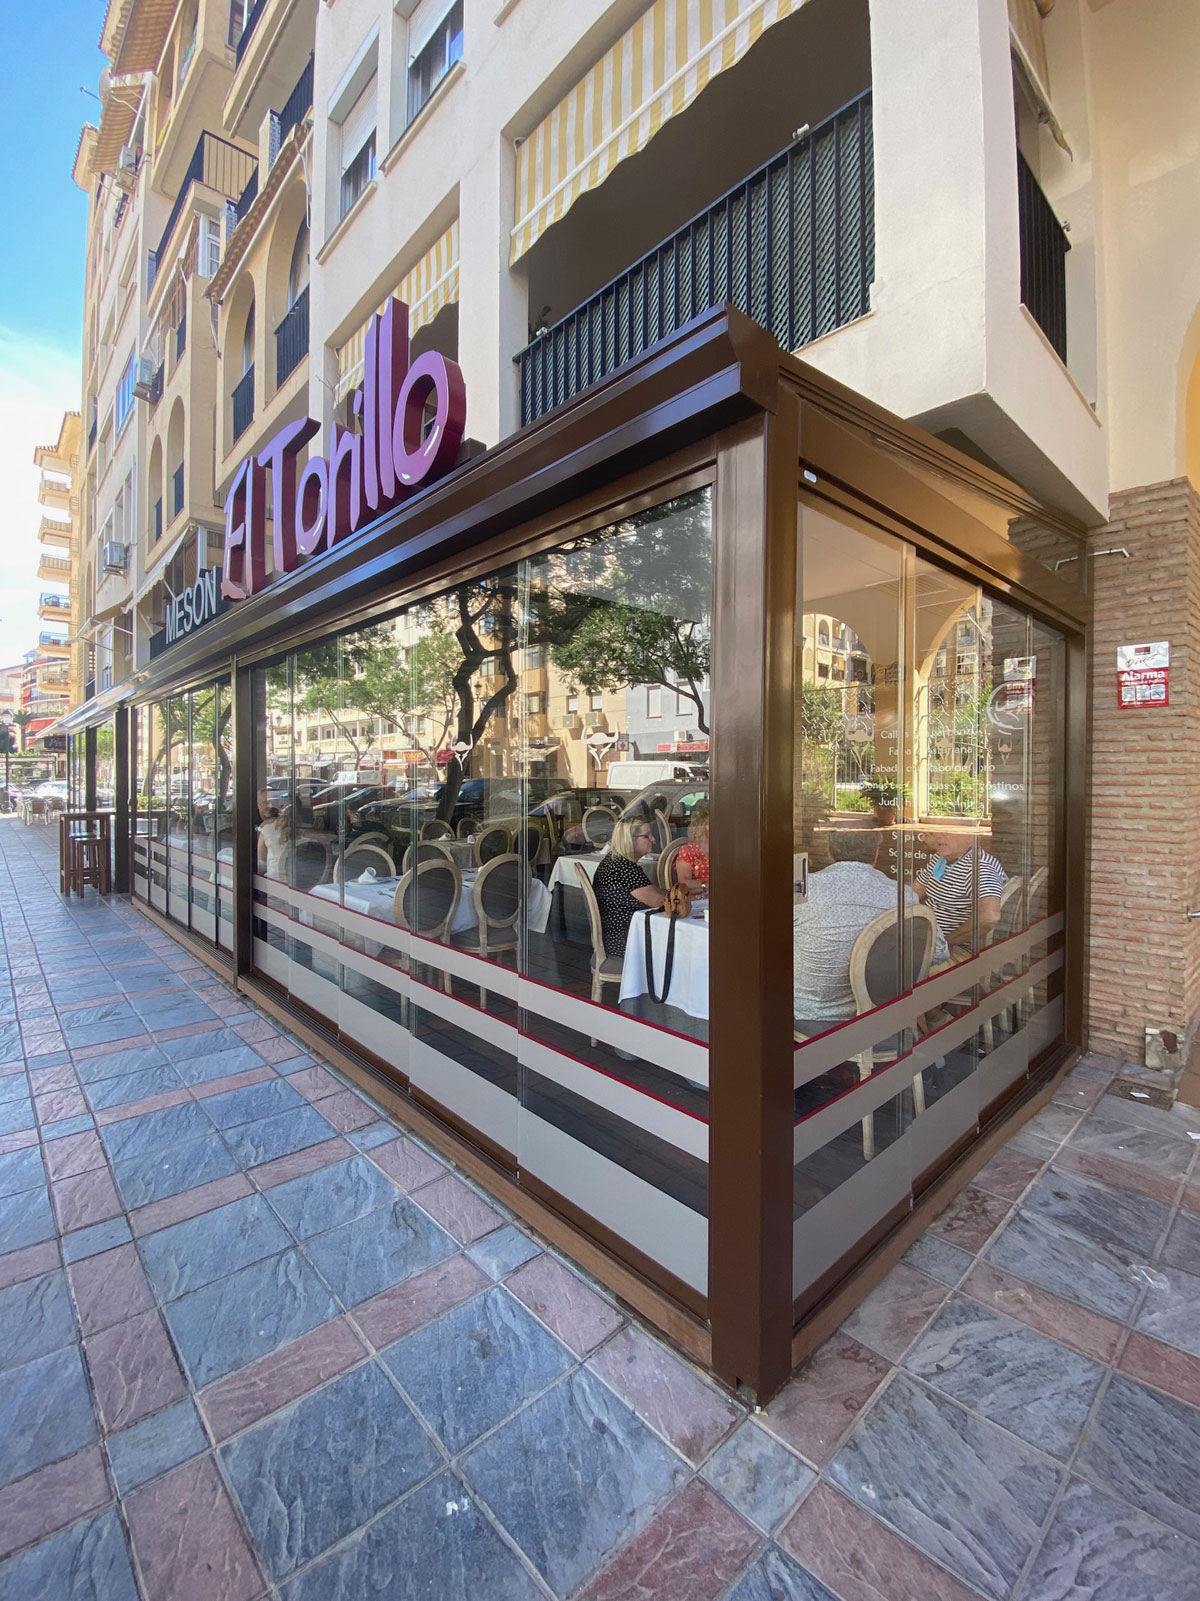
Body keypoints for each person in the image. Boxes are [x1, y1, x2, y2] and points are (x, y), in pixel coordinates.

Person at [793, 826, 928, 1030]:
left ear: (830, 850)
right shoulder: (904, 896)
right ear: (876, 854)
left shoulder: (801, 889)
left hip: (810, 1014)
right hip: (879, 1015)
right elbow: (936, 954)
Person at [915, 825, 1006, 954]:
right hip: (925, 937)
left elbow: (989, 918)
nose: (939, 835)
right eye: (937, 830)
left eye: (947, 832)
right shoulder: (941, 858)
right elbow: (916, 890)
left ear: (970, 837)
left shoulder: (978, 868)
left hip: (955, 951)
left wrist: (945, 944)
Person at [591, 817, 665, 958]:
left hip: (615, 937)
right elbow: (661, 902)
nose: (653, 839)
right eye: (647, 836)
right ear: (629, 839)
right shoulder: (625, 869)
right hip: (626, 942)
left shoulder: (614, 862)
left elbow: (652, 892)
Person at [256, 790, 292, 880]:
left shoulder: (268, 829)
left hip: (275, 884)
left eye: (272, 802)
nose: (269, 806)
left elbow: (262, 860)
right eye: (265, 803)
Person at [674, 804, 709, 891]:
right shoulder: (688, 851)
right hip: (698, 901)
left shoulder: (724, 848)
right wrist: (707, 885)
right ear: (703, 826)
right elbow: (684, 882)